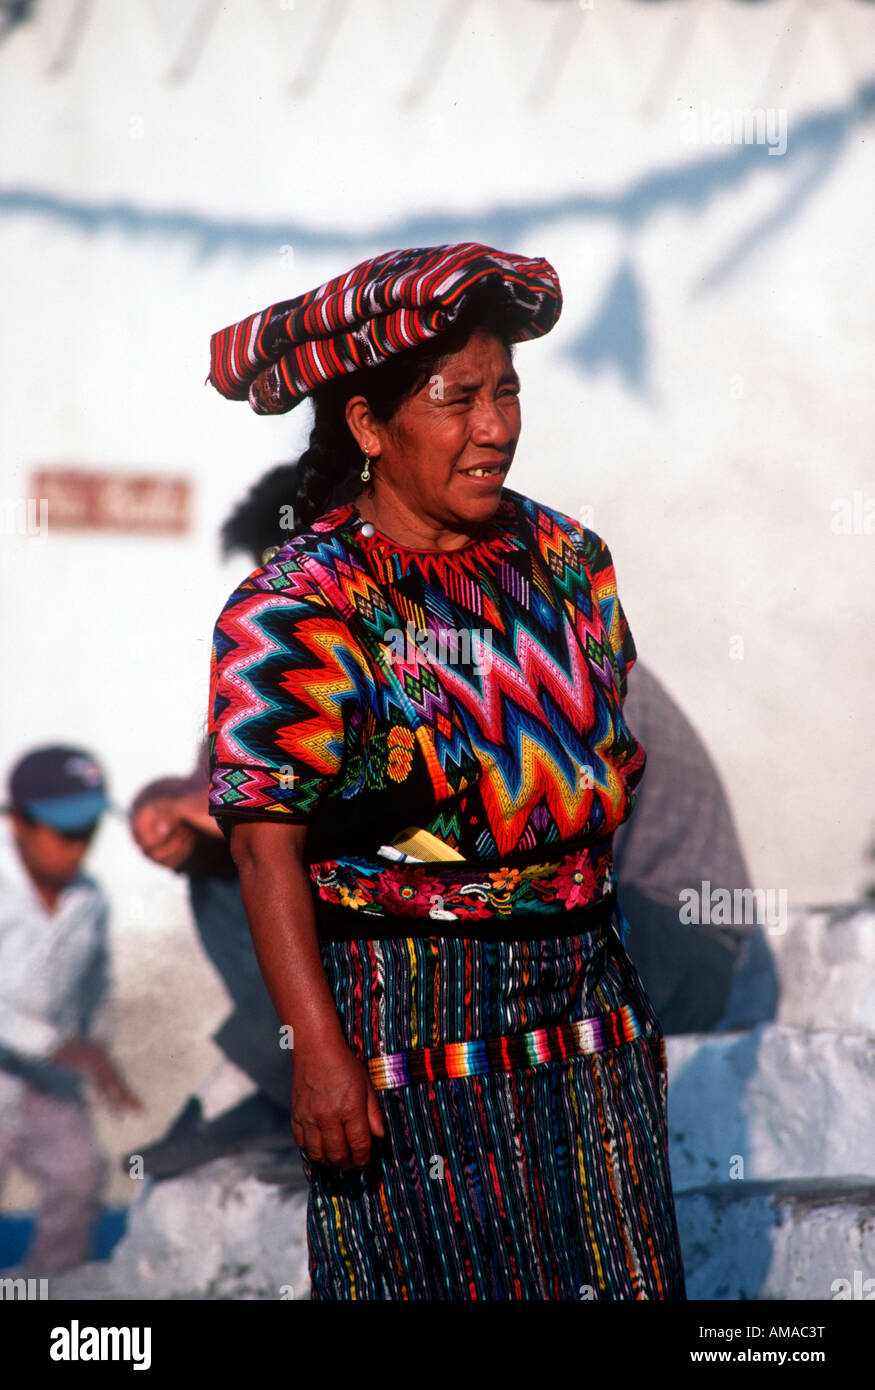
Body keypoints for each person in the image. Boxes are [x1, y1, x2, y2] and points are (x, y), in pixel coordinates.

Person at [206, 242, 686, 1300]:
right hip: (407, 1025)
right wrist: (317, 1052)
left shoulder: (567, 561)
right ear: (368, 426)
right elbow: (262, 847)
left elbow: (606, 761)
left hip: (588, 1011)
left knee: (619, 1272)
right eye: (455, 398)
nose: (494, 426)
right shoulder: (298, 605)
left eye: (504, 391)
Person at [0, 746, 140, 1271]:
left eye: (88, 833)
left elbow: (94, 981)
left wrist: (97, 1047)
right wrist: (59, 1046)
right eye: (64, 833)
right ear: (19, 823)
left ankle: (51, 1285)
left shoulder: (89, 900)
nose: (78, 849)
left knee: (79, 1175)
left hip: (49, 1079)